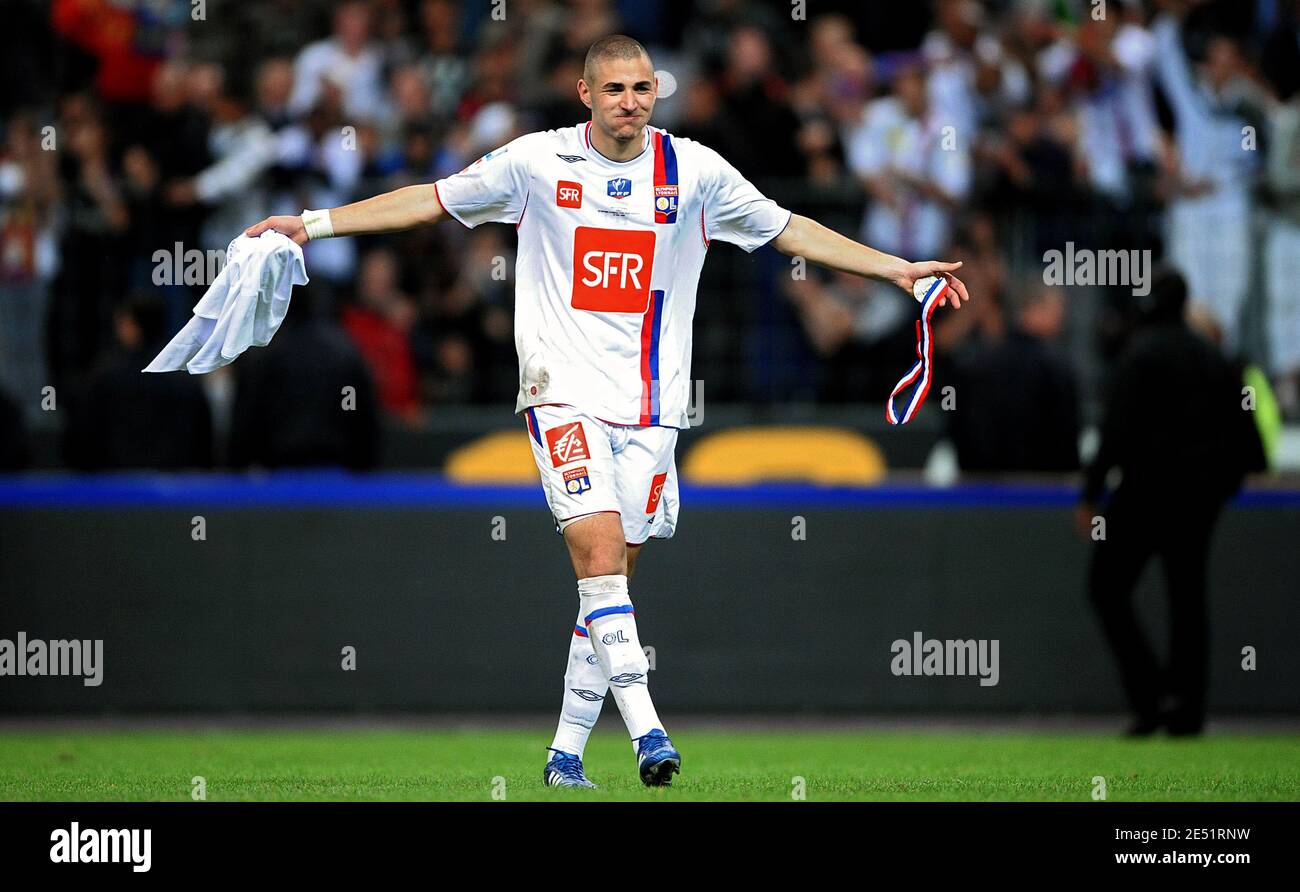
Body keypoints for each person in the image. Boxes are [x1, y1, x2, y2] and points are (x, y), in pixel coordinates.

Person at [244, 35, 971, 789]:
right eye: (614, 89)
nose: (630, 101)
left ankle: (564, 755)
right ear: (585, 94)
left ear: (657, 91)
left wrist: (895, 267)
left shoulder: (694, 173)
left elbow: (788, 228)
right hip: (561, 392)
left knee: (611, 582)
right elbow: (429, 200)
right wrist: (313, 223)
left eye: (642, 89)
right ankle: (650, 732)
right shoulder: (535, 163)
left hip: (653, 409)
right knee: (598, 560)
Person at [1076, 268, 1265, 737]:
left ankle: (1151, 695)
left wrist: (1090, 494)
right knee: (1188, 597)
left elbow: (1115, 431)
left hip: (1144, 493)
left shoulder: (1139, 354)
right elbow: (1249, 441)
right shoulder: (1213, 357)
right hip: (1197, 498)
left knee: (1106, 587)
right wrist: (1223, 484)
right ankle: (1186, 709)